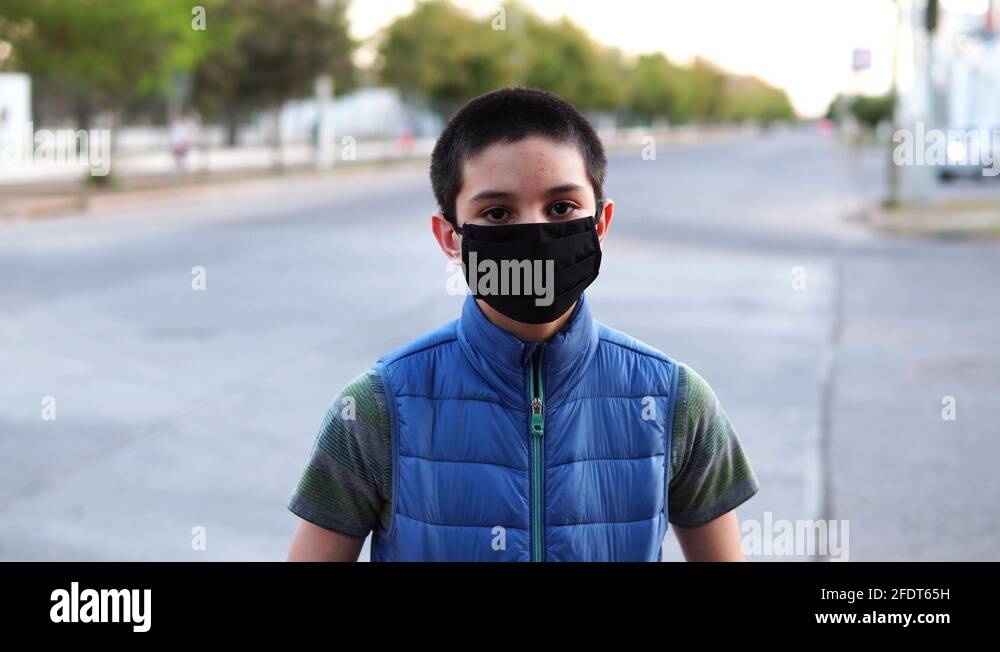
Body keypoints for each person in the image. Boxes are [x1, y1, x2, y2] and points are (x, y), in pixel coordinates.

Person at [286, 87, 759, 562]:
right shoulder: (379, 407)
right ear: (451, 238)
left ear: (601, 224)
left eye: (561, 208)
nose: (533, 233)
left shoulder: (674, 400)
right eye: (497, 213)